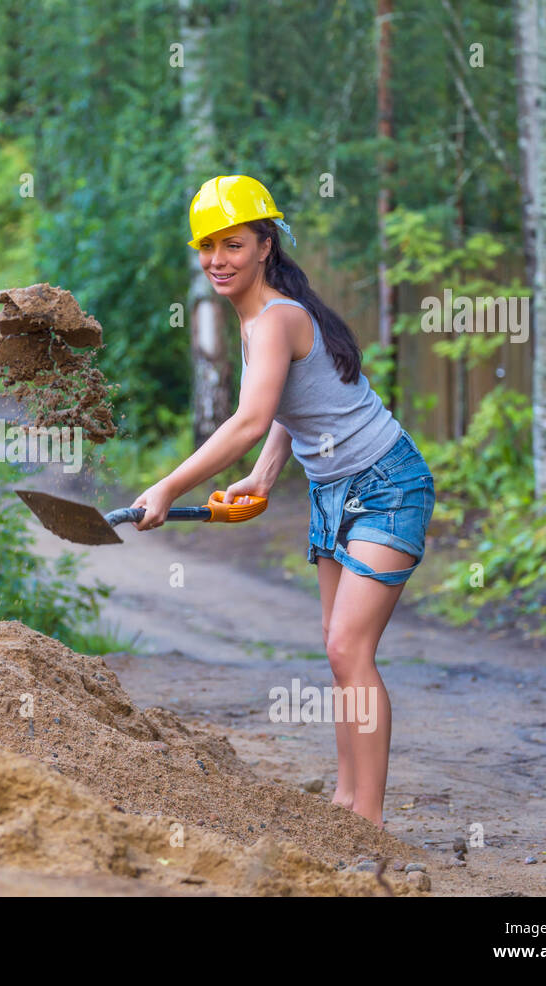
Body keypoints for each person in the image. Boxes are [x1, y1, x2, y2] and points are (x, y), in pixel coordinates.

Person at [130, 175, 435, 829]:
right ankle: (345, 804)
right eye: (207, 245)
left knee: (350, 648)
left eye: (233, 243)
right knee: (337, 649)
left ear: (265, 244)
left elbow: (246, 419)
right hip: (333, 489)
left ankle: (371, 822)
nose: (217, 259)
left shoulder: (277, 319)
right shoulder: (267, 318)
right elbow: (294, 406)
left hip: (388, 485)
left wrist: (167, 486)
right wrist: (267, 474)